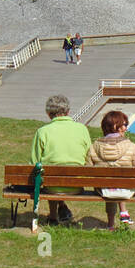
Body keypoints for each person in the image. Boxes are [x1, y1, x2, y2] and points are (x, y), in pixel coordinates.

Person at [30, 94, 91, 227]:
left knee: (51, 174)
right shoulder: (82, 129)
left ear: (48, 114)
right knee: (61, 171)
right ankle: (61, 207)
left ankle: (53, 216)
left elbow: (35, 162)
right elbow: (89, 156)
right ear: (68, 111)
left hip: (52, 186)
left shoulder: (42, 132)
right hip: (76, 184)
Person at [86, 110, 135, 230]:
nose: (126, 128)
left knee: (108, 183)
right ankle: (122, 214)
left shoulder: (93, 146)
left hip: (103, 189)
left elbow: (88, 171)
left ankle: (110, 224)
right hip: (126, 189)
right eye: (124, 125)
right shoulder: (132, 146)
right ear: (115, 127)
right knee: (115, 183)